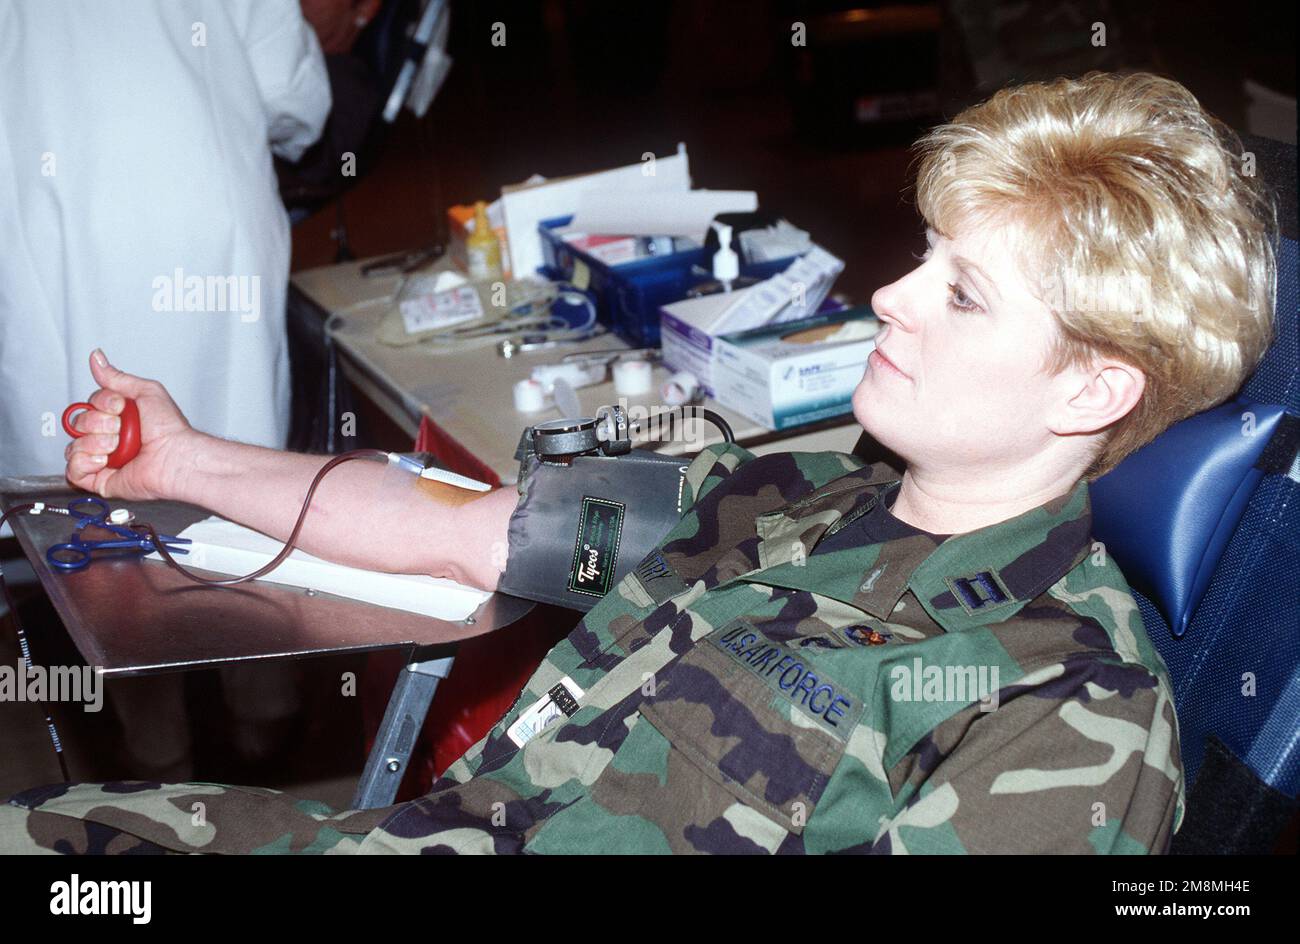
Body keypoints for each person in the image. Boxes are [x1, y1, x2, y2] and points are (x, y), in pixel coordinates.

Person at [0, 71, 1276, 853]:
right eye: (920, 256)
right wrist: (186, 456)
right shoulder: (783, 498)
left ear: (1092, 385)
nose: (888, 294)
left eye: (962, 293)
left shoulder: (1065, 714)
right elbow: (468, 529)